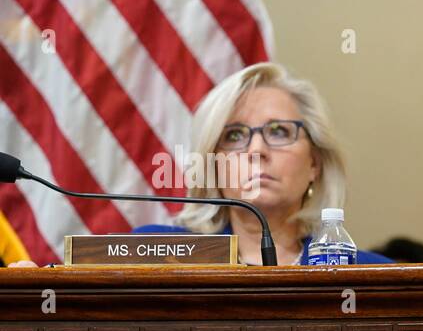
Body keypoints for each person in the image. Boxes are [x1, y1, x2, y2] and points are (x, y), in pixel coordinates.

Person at [136, 62, 392, 265]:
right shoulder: (156, 255)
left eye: (279, 131)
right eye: (234, 136)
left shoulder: (372, 277)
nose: (257, 150)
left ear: (315, 163)